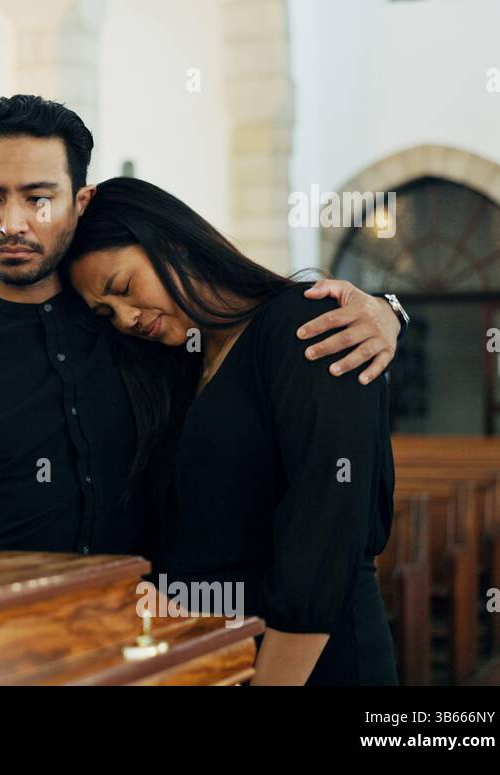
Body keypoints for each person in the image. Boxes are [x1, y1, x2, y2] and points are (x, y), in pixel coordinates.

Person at [0, 94, 406, 556]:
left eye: (38, 198)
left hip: (162, 630)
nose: (11, 223)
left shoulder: (150, 327)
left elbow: (257, 325)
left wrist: (388, 311)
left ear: (80, 202)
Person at [60, 176, 397, 685]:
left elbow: (325, 534)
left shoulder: (304, 324)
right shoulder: (181, 366)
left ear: (172, 242)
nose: (125, 318)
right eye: (107, 313)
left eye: (124, 288)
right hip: (216, 659)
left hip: (308, 663)